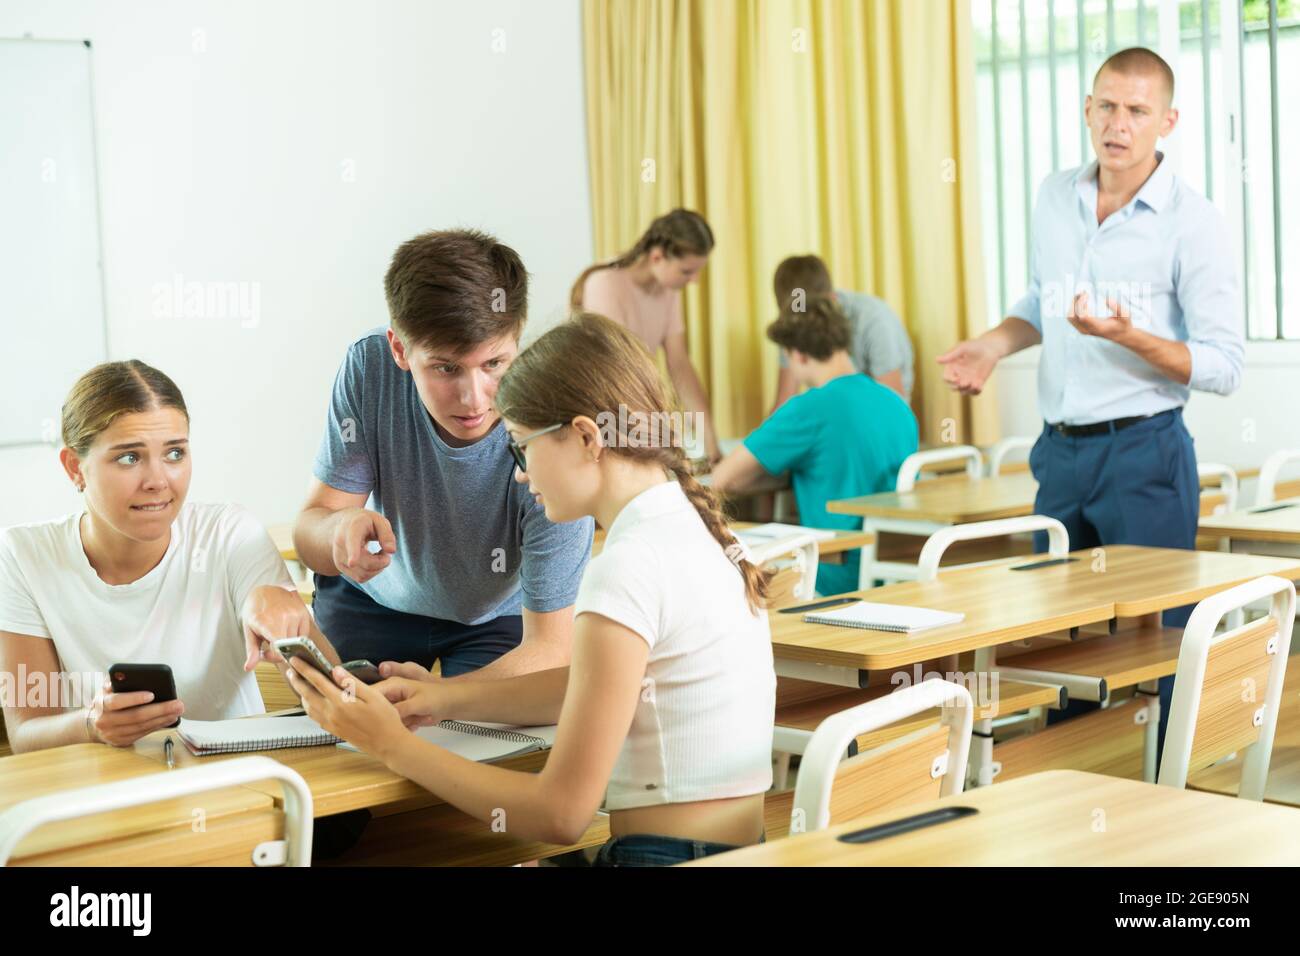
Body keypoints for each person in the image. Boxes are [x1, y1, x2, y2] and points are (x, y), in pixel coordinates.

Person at [287, 313, 776, 866]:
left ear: (587, 437)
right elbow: (590, 684)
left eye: (521, 448)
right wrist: (445, 697)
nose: (520, 474)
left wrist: (391, 746)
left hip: (654, 855)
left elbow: (560, 815)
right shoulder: (703, 532)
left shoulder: (627, 567)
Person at [937, 47, 1244, 747]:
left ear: (1166, 120)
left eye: (1137, 110)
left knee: (1166, 644)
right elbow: (1042, 300)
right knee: (1058, 644)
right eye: (1106, 105)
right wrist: (994, 344)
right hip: (1061, 456)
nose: (1119, 123)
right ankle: (1071, 786)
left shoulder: (1193, 223)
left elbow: (1225, 364)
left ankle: (1177, 791)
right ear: (1086, 109)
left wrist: (1130, 337)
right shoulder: (1054, 195)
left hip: (1146, 454)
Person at [292, 229, 594, 678]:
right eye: (446, 368)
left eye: (494, 364)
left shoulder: (555, 415)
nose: (474, 399)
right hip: (375, 599)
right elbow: (309, 535)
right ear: (400, 349)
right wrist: (338, 530)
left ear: (518, 339)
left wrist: (438, 700)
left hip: (499, 617)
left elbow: (552, 646)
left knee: (478, 739)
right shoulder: (369, 366)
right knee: (344, 733)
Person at [0, 360, 333, 753]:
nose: (158, 481)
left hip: (235, 784)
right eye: (129, 458)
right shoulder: (22, 556)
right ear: (75, 468)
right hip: (101, 794)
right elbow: (26, 735)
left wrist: (289, 627)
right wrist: (92, 724)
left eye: (175, 453)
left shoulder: (229, 533)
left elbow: (336, 690)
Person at [711, 296, 918, 595]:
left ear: (799, 355)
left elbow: (724, 478)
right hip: (896, 572)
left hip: (835, 578)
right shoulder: (896, 404)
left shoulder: (809, 408)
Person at [572, 208, 722, 462]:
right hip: (599, 413)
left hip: (633, 408)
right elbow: (617, 371)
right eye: (687, 271)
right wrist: (661, 440)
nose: (694, 280)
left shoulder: (668, 289)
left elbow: (680, 365)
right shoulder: (604, 283)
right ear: (656, 257)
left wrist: (711, 444)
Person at [770, 254, 914, 410]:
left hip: (876, 414)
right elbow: (783, 404)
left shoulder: (875, 322)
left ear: (832, 299)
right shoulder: (792, 324)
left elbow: (893, 408)